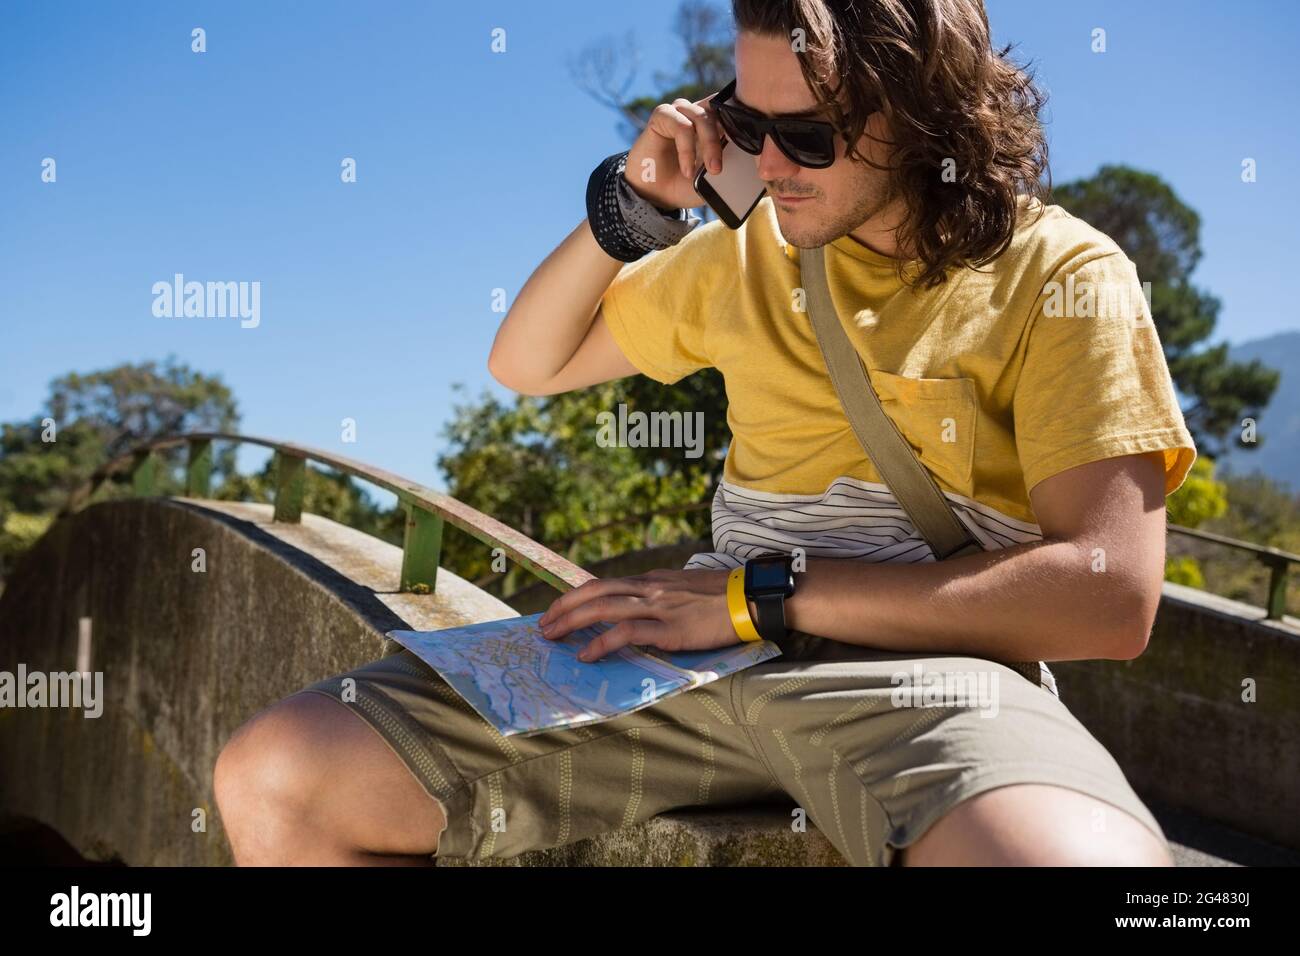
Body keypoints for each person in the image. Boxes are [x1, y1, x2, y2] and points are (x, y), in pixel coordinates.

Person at [214, 0, 1196, 866]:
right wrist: (632, 209)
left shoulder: (1064, 273)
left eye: (807, 135)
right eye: (747, 121)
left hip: (922, 676)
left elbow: (1108, 595)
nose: (768, 164)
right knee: (279, 778)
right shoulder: (747, 253)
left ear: (925, 114)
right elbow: (527, 362)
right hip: (694, 657)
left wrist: (755, 598)